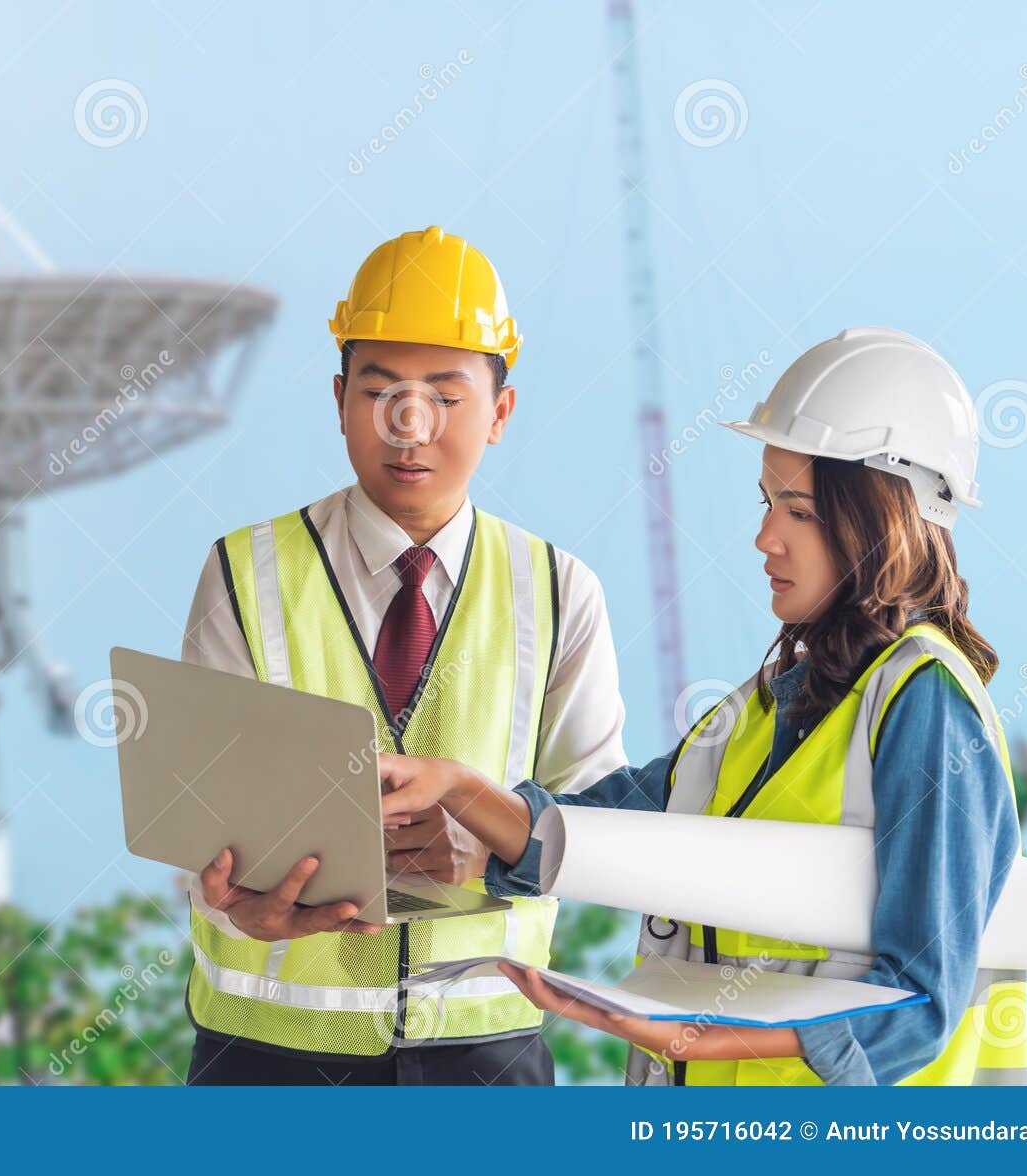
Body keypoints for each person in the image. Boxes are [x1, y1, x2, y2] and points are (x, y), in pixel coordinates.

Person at [379, 326, 1027, 1086]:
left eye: (800, 512)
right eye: (767, 503)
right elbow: (603, 829)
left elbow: (920, 997)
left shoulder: (928, 708)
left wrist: (707, 1037)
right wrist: (459, 791)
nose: (764, 539)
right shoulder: (768, 706)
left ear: (883, 519)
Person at [178, 226, 629, 1085]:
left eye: (446, 396)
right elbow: (191, 819)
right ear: (341, 400)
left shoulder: (560, 590)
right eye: (381, 392)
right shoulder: (245, 572)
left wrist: (491, 855)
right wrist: (238, 910)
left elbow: (599, 827)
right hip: (267, 1060)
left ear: (500, 413)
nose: (410, 426)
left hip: (486, 1060)